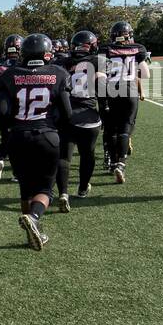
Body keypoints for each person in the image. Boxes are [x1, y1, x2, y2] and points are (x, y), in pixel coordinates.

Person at [0, 34, 72, 250]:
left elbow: (1, 111)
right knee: (46, 189)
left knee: (25, 187)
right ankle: (35, 218)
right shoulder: (58, 73)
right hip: (47, 136)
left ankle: (30, 231)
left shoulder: (10, 74)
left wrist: (9, 132)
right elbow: (67, 112)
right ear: (48, 54)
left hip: (18, 137)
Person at [95, 21, 148, 184]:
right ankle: (121, 163)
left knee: (111, 129)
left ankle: (112, 162)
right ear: (129, 35)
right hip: (130, 91)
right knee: (126, 128)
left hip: (112, 91)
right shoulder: (138, 49)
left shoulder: (105, 49)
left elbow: (100, 75)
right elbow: (145, 74)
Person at [56, 30, 103, 206]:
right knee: (87, 154)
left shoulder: (60, 62)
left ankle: (63, 193)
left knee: (64, 156)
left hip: (65, 116)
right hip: (88, 115)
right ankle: (82, 188)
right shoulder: (98, 61)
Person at [0, 34, 24, 181]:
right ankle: (16, 173)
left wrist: (2, 94)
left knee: (5, 136)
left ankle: (1, 158)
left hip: (2, 106)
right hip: (19, 104)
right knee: (18, 138)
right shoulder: (23, 63)